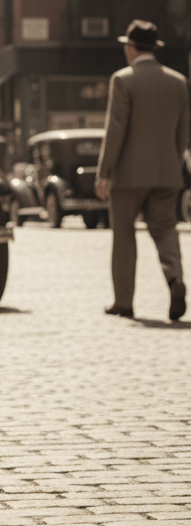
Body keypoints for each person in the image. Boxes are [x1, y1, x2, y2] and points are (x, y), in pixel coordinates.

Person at [96, 19, 188, 322]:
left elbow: (116, 129)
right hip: (167, 173)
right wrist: (174, 165)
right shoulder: (177, 81)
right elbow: (183, 132)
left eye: (127, 46)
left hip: (129, 175)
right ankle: (175, 280)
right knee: (164, 229)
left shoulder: (123, 79)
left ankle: (124, 302)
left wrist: (104, 172)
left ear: (133, 48)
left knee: (124, 236)